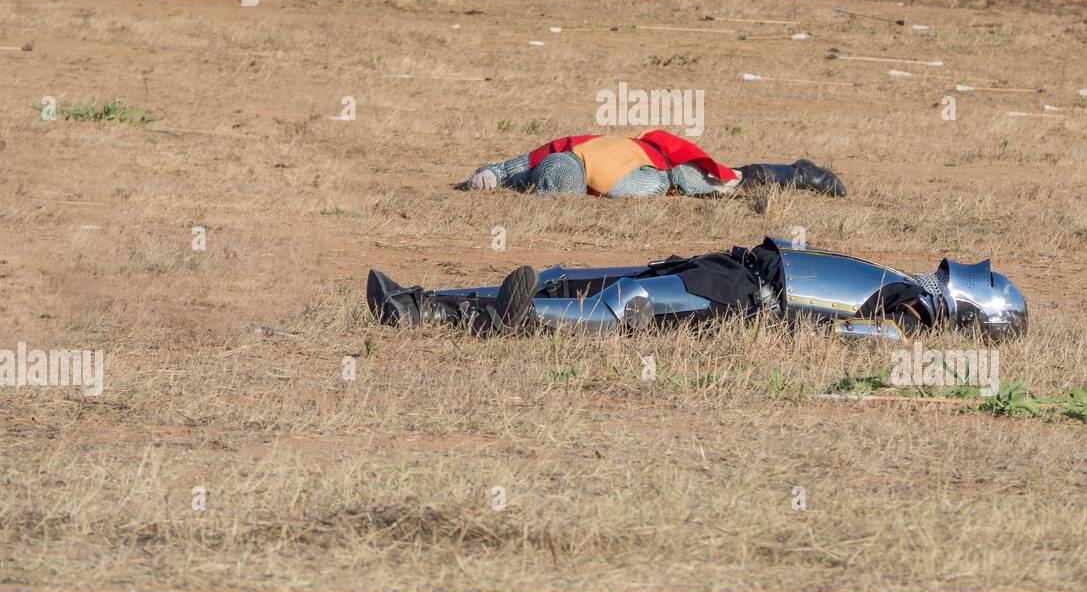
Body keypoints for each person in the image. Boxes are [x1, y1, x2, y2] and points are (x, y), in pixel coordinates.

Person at [366, 237, 1028, 341]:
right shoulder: (905, 292)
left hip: (742, 298)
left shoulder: (910, 317)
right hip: (738, 267)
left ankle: (520, 322)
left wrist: (917, 315)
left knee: (624, 305)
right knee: (571, 277)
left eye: (956, 278)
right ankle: (417, 304)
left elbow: (857, 335)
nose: (944, 272)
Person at [458, 129, 846, 198]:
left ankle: (801, 174)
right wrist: (487, 176)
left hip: (661, 163)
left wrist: (668, 183)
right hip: (652, 172)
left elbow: (661, 178)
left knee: (727, 182)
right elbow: (511, 167)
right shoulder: (554, 156)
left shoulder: (574, 151)